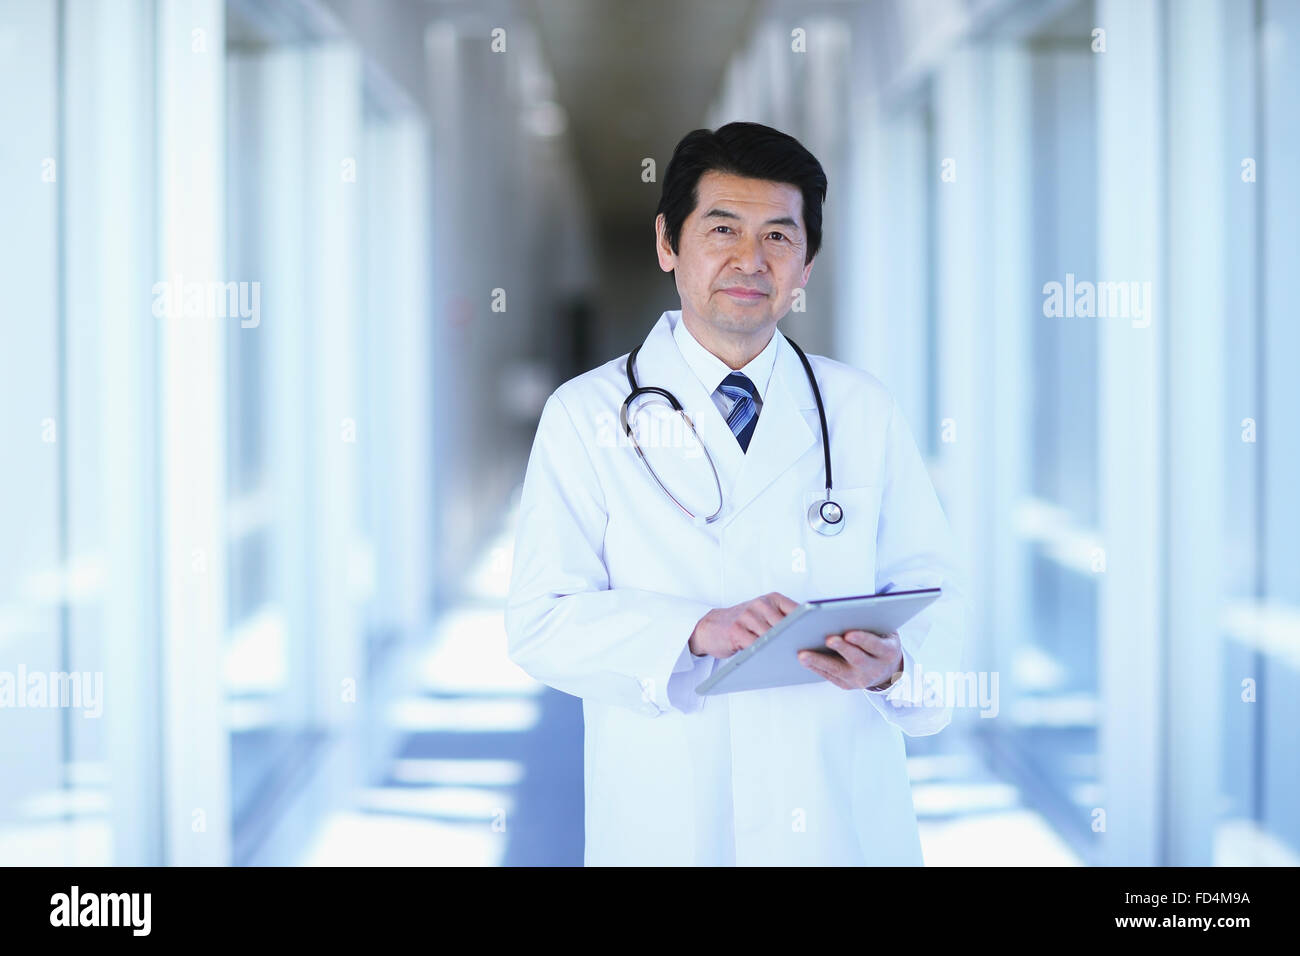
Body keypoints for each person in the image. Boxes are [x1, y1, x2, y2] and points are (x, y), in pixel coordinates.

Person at [505, 121, 967, 865]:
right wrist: (693, 631)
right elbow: (540, 622)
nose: (750, 260)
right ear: (668, 243)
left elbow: (937, 595)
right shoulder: (585, 415)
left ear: (806, 263)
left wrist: (900, 667)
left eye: (780, 237)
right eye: (723, 228)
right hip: (667, 816)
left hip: (835, 818)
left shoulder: (860, 409)